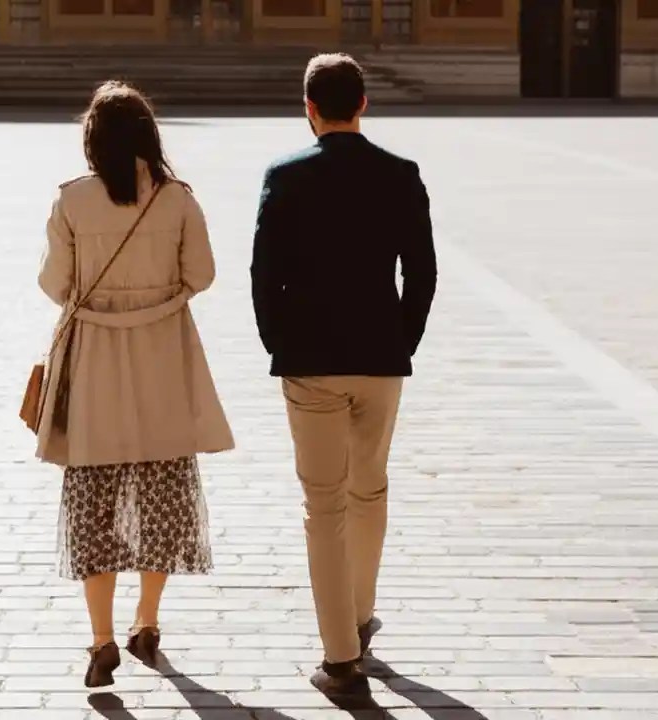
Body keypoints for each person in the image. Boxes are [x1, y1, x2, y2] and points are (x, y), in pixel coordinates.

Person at [36, 81, 235, 688]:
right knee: (161, 497)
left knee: (94, 503)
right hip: (162, 360)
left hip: (93, 362)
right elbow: (202, 274)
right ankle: (146, 621)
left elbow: (54, 283)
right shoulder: (177, 200)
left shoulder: (73, 200)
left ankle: (100, 639)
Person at [250, 53, 436, 698]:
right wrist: (402, 340)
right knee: (370, 490)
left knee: (323, 504)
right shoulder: (400, 173)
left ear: (309, 107)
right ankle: (359, 615)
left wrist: (279, 343)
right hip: (380, 357)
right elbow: (422, 271)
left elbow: (264, 273)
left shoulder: (285, 175)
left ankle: (340, 657)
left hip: (309, 360)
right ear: (362, 104)